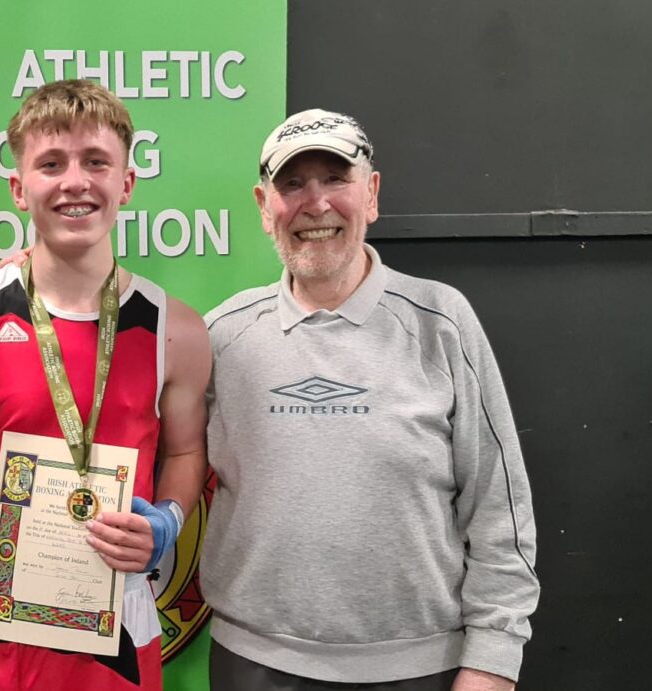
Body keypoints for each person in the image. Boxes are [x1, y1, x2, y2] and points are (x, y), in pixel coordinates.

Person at [200, 110, 540, 691]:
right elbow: (131, 436)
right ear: (264, 206)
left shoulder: (441, 322)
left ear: (372, 194)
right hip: (251, 664)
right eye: (292, 184)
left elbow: (497, 506)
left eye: (336, 179)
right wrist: (41, 285)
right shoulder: (221, 335)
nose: (315, 203)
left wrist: (493, 662)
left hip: (420, 670)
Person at [0, 79, 212, 691]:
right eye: (51, 164)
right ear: (19, 187)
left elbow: (184, 451)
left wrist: (169, 523)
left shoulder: (175, 328)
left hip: (111, 603)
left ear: (125, 183)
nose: (75, 181)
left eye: (95, 162)